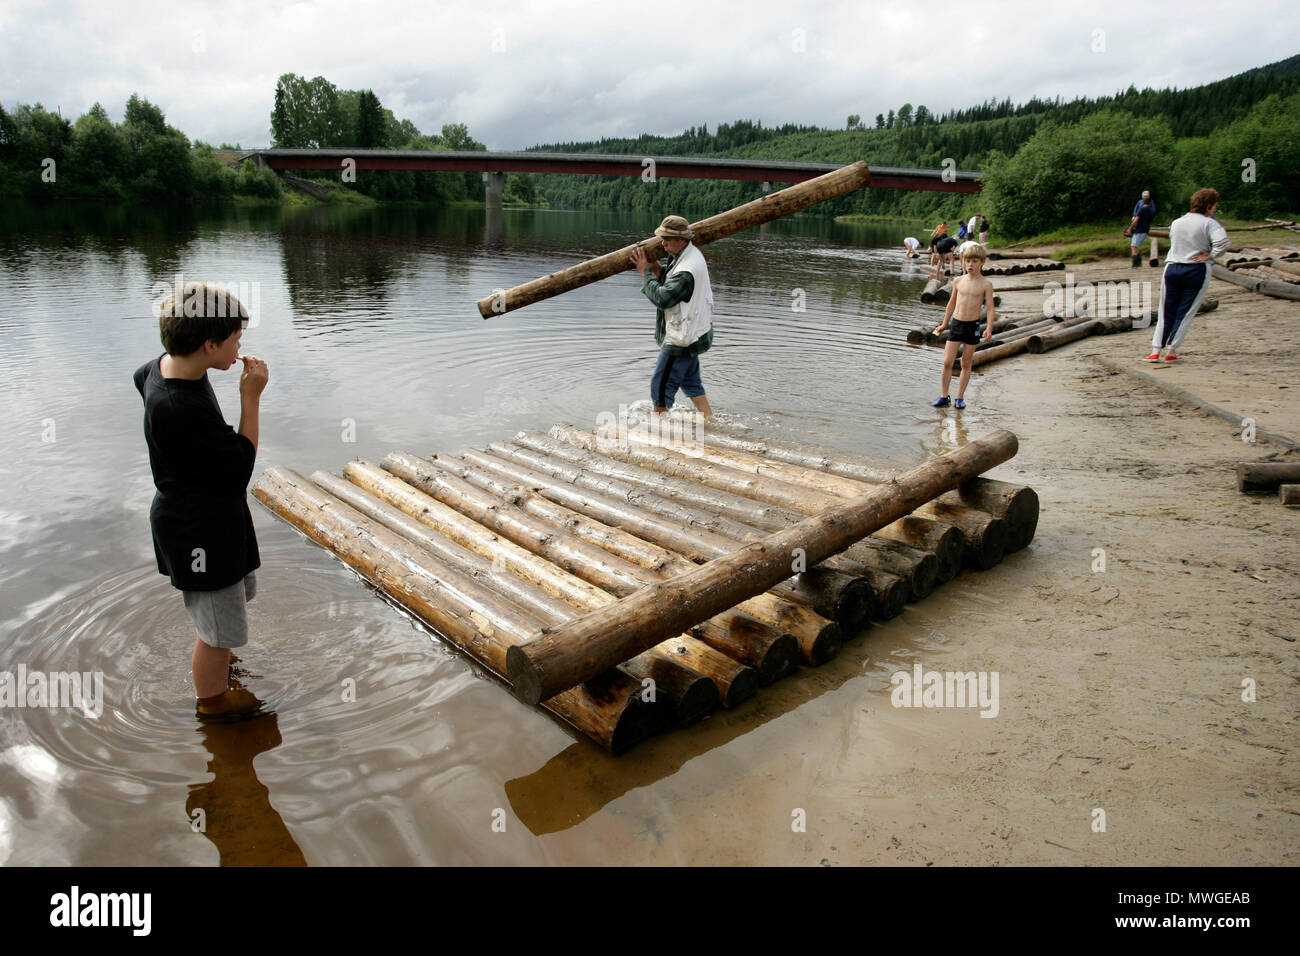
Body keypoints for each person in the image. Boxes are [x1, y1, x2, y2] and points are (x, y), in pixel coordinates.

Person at [133, 281, 269, 718]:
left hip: (206, 517)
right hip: (199, 531)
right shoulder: (179, 407)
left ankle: (220, 674)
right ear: (209, 344)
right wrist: (250, 398)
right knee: (217, 633)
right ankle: (214, 712)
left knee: (222, 615)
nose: (240, 346)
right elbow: (239, 467)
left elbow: (141, 379)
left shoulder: (165, 368)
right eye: (234, 339)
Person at [630, 215, 714, 417]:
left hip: (681, 339)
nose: (662, 243)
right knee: (692, 384)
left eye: (667, 239)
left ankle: (659, 436)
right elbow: (671, 280)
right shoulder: (690, 255)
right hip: (695, 333)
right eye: (662, 238)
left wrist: (645, 273)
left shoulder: (687, 269)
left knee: (660, 389)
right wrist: (656, 268)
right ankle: (711, 425)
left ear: (681, 240)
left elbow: (662, 298)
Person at [1146, 188, 1230, 363]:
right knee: (1185, 311)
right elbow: (1222, 243)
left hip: (1172, 268)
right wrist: (1211, 254)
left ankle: (1155, 350)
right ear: (1209, 206)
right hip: (1196, 270)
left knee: (1166, 310)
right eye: (1214, 206)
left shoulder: (1177, 222)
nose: (1214, 209)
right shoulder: (1209, 223)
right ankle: (1171, 350)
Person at [931, 243, 995, 409]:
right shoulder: (958, 281)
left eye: (974, 261)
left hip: (972, 326)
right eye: (967, 261)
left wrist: (989, 327)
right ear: (963, 262)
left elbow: (989, 308)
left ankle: (960, 397)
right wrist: (945, 323)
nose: (970, 264)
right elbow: (951, 303)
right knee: (947, 362)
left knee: (966, 363)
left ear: (981, 262)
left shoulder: (986, 284)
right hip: (956, 324)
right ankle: (944, 396)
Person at [1126, 190, 1157, 267]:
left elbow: (1136, 220)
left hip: (1139, 230)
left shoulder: (1142, 209)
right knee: (1135, 245)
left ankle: (1135, 263)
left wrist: (1130, 228)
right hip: (1145, 229)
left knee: (1133, 246)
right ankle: (1138, 262)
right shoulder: (1151, 210)